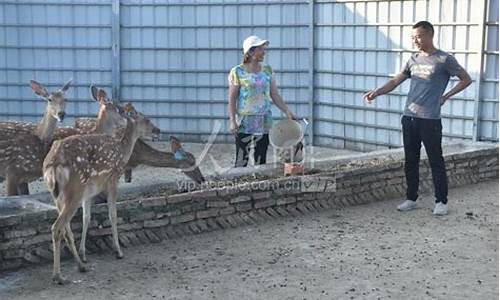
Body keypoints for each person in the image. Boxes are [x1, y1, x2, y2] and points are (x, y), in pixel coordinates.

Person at [363, 21, 472, 216]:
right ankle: (411, 198)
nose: (415, 40)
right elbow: (396, 81)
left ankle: (441, 201)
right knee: (410, 160)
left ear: (430, 35)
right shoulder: (413, 59)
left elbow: (466, 79)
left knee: (435, 160)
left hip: (430, 120)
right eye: (413, 37)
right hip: (409, 117)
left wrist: (446, 96)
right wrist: (377, 92)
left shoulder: (444, 59)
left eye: (419, 36)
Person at [228, 35, 296, 167]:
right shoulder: (237, 72)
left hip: (264, 119)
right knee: (242, 158)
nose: (264, 52)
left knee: (261, 156)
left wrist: (287, 110)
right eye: (260, 49)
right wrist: (232, 120)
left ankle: (259, 184)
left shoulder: (267, 70)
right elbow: (232, 98)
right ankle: (239, 185)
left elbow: (274, 94)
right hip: (244, 120)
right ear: (251, 52)